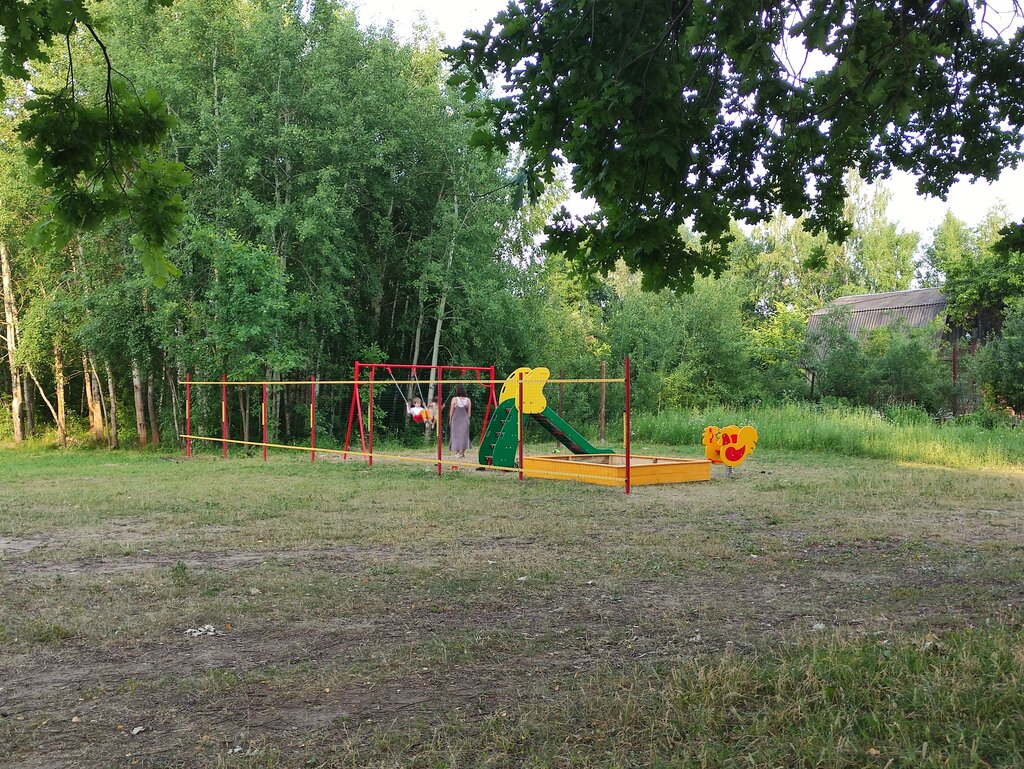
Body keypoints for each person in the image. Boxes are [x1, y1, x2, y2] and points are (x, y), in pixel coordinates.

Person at [449, 384, 472, 459]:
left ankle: (459, 452)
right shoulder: (468, 400)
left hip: (456, 420)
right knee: (464, 436)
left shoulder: (454, 399)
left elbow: (451, 411)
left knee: (456, 436)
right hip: (465, 420)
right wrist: (467, 420)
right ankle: (461, 453)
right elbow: (469, 413)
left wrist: (450, 419)